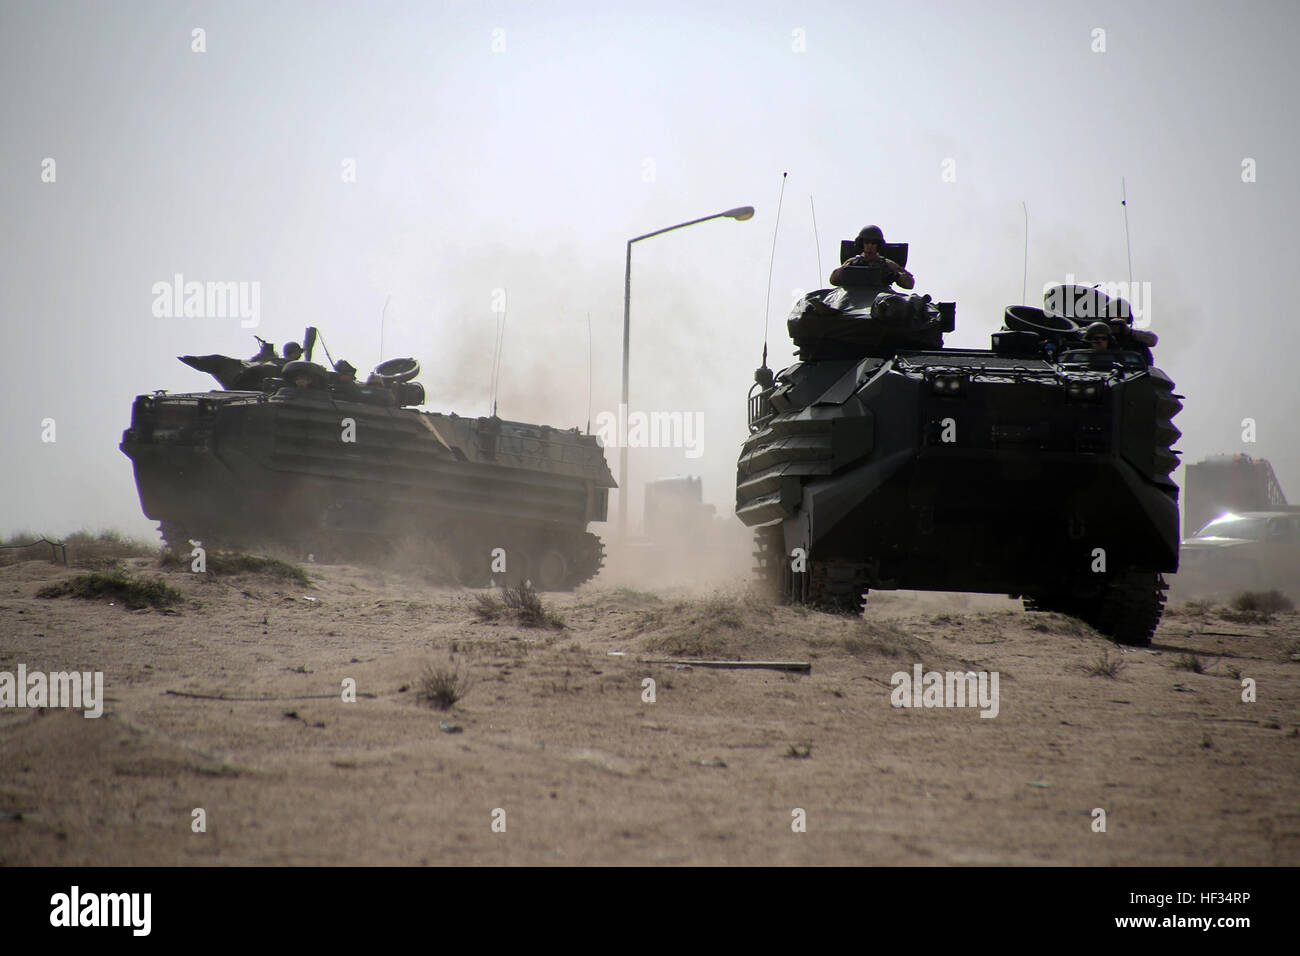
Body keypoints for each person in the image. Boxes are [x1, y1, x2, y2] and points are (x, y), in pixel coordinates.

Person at [829, 225, 915, 289]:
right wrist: (845, 270)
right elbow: (833, 280)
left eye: (873, 242)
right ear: (862, 243)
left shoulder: (888, 264)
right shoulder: (851, 262)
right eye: (866, 242)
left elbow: (910, 284)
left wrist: (895, 275)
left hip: (880, 298)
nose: (870, 246)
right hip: (852, 298)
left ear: (878, 245)